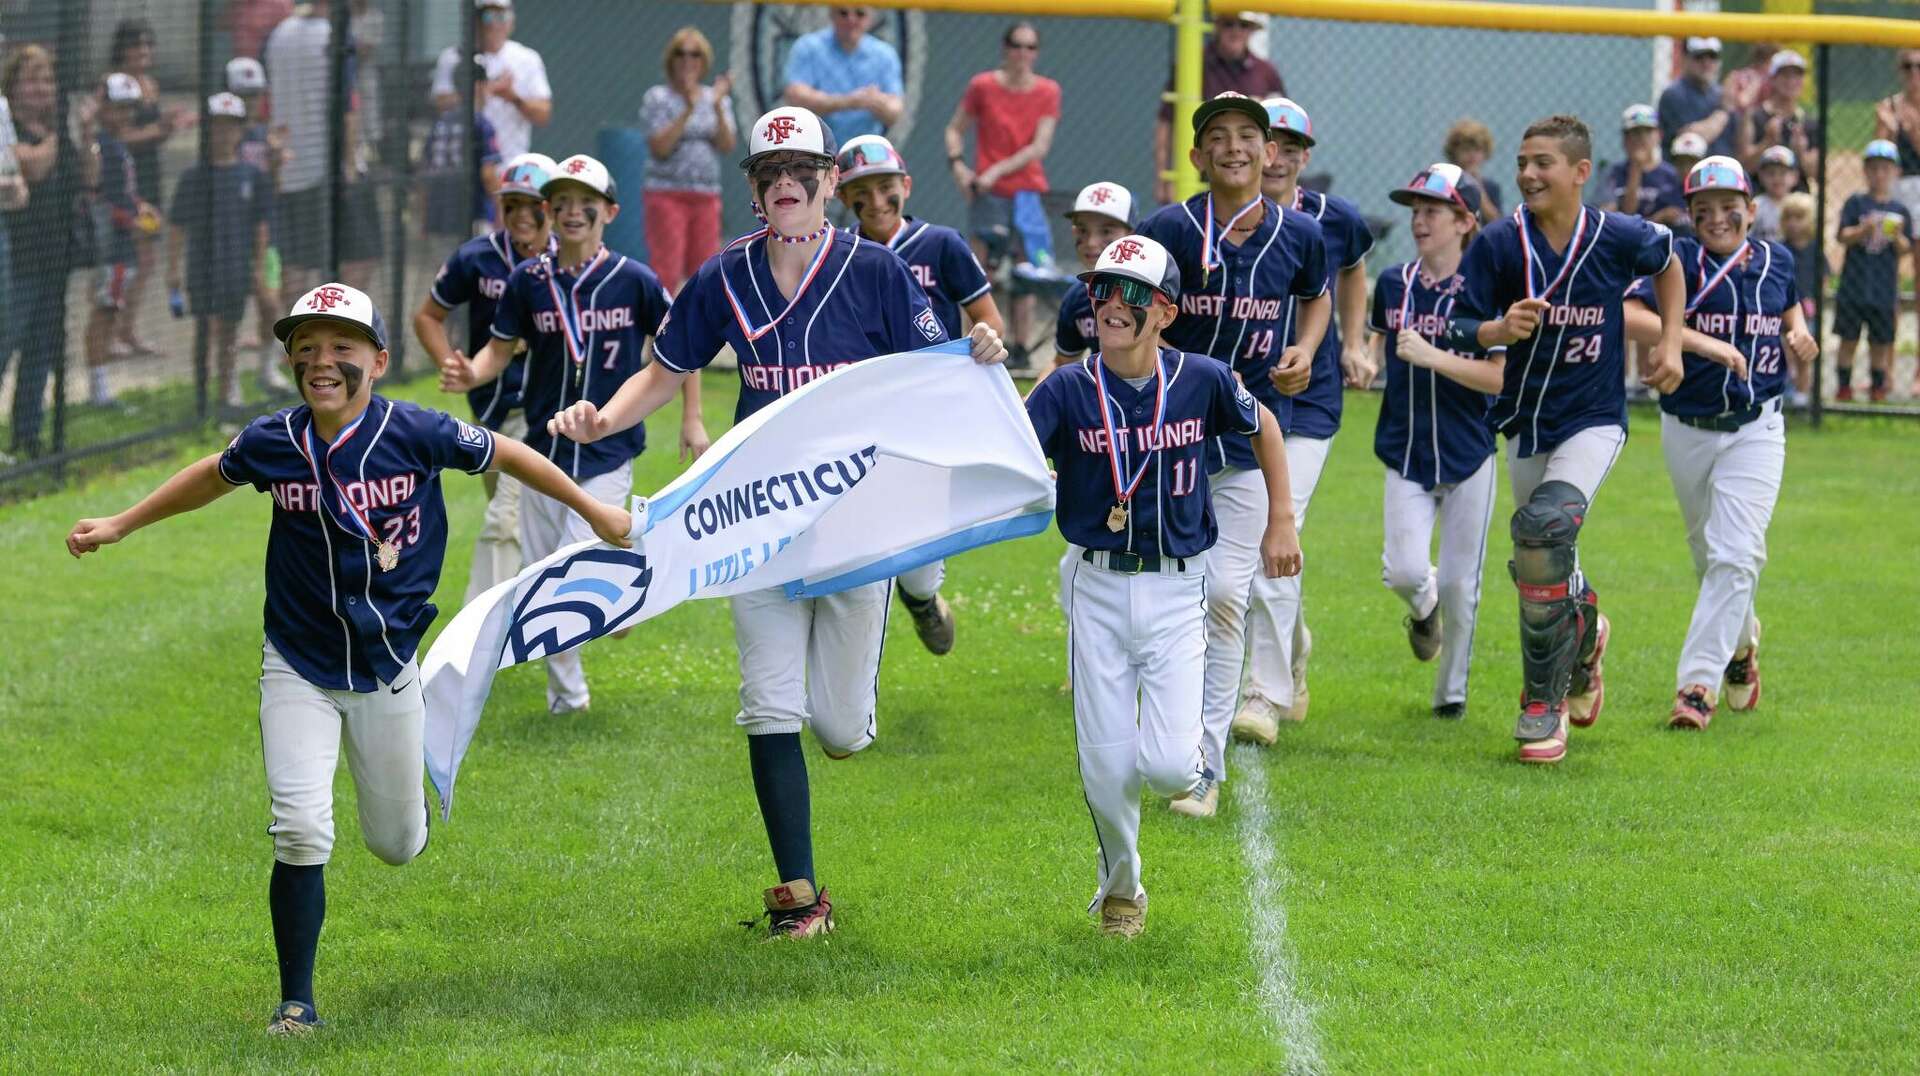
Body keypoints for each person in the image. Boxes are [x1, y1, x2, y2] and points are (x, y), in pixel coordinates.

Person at [65, 282, 632, 1036]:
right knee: (301, 828)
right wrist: (122, 522)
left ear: (379, 358)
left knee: (395, 845)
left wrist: (593, 511)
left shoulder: (417, 431)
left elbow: (507, 451)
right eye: (305, 349)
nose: (321, 361)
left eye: (341, 347)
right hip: (296, 660)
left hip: (389, 664)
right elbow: (213, 472)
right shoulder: (276, 440)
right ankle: (295, 1003)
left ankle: (411, 810)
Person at [545, 107, 1007, 939]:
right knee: (767, 705)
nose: (786, 185)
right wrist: (602, 422)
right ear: (754, 189)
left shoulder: (874, 271)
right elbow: (665, 368)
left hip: (856, 519)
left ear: (831, 180)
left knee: (837, 730)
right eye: (769, 174)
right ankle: (800, 894)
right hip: (756, 516)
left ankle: (899, 633)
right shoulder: (726, 274)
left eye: (802, 171)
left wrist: (977, 355)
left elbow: (935, 369)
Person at [1025, 233, 1300, 936]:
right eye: (1102, 290)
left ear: (1166, 311)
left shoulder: (1203, 378)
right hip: (1098, 587)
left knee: (1173, 769)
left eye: (1133, 293)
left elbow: (1262, 423)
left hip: (1179, 590)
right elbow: (1010, 451)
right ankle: (1122, 891)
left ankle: (1165, 749)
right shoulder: (1064, 388)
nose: (1113, 304)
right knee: (1106, 767)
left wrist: (1281, 520)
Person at [1451, 113, 1684, 764]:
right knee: (1537, 563)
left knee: (1545, 529)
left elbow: (1670, 263)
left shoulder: (1618, 236)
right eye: (1523, 162)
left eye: (1543, 162)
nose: (1527, 173)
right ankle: (1584, 641)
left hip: (1593, 417)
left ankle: (1541, 705)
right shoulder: (1499, 244)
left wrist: (1670, 343)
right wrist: (1498, 329)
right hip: (1525, 422)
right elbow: (1459, 324)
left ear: (1581, 172)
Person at [438, 154, 705, 713]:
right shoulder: (527, 281)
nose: (572, 212)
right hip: (542, 449)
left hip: (607, 451)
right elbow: (498, 350)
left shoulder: (634, 279)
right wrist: (472, 372)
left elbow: (682, 349)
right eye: (561, 202)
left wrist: (692, 417)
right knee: (540, 578)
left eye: (586, 203)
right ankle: (569, 697)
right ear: (549, 211)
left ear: (609, 210)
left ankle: (614, 592)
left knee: (567, 570)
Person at [1140, 91, 1328, 813]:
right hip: (1171, 440)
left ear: (1271, 152)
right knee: (1165, 598)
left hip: (1253, 438)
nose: (1234, 147)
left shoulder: (1299, 233)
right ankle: (1157, 731)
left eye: (1248, 135)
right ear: (1196, 155)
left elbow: (1314, 296)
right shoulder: (1166, 230)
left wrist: (1306, 348)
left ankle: (1203, 768)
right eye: (1217, 136)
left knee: (1224, 595)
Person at [1620, 157, 1815, 728]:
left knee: (1736, 553)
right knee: (1711, 557)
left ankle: (1696, 686)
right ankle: (1740, 645)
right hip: (1687, 427)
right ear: (1691, 215)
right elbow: (1629, 312)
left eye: (1732, 206)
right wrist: (1701, 344)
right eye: (1704, 209)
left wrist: (1799, 332)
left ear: (1753, 211)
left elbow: (1788, 307)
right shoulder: (1676, 258)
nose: (1719, 217)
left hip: (1757, 425)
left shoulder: (1777, 258)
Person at [834, 132, 1001, 655]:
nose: (876, 201)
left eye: (886, 186)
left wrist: (983, 341)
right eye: (860, 190)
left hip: (930, 413)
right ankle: (856, 660)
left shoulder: (941, 244)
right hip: (858, 412)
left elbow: (987, 317)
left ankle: (923, 599)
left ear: (906, 186)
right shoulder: (837, 251)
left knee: (922, 554)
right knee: (863, 538)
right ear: (842, 199)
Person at [1236, 96, 1372, 737]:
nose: (1279, 155)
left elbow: (1350, 272)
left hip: (1309, 401)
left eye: (1291, 146)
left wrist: (1352, 341)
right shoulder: (1222, 219)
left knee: (1276, 531)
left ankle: (1263, 693)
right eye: (1270, 142)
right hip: (1238, 398)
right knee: (1235, 544)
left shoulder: (1331, 219)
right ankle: (1290, 653)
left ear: (1304, 156)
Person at [1368, 164, 1501, 719]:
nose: (1419, 221)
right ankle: (1424, 612)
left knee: (1460, 585)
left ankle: (1450, 698)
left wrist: (1433, 356)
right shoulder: (1394, 284)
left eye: (1432, 211)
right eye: (1415, 211)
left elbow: (1499, 378)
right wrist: (1361, 359)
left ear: (1464, 221)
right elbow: (1376, 350)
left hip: (1470, 452)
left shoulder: (1490, 289)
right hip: (1406, 448)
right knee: (1402, 570)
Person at [413, 154, 556, 603]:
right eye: (509, 205)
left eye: (529, 205)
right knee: (522, 514)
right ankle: (549, 604)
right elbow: (427, 317)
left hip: (546, 410)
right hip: (491, 407)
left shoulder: (568, 263)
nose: (518, 216)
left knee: (505, 518)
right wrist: (455, 366)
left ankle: (478, 639)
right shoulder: (478, 258)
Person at [943, 21, 1061, 367]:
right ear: (1005, 48)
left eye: (1030, 47)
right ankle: (976, 340)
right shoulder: (982, 86)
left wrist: (995, 171)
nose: (1022, 53)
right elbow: (954, 129)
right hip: (988, 194)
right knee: (982, 271)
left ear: (1037, 53)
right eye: (1016, 45)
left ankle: (1021, 346)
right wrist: (958, 167)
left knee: (1027, 270)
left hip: (1026, 192)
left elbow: (1039, 147)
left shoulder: (1048, 91)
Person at [2, 44, 92, 458]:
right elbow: (33, 166)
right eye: (33, 80)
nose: (43, 89)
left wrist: (86, 134)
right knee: (6, 344)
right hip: (15, 259)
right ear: (14, 85)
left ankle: (28, 435)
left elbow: (90, 176)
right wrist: (62, 129)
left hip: (54, 259)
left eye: (48, 80)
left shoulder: (59, 132)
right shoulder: (8, 127)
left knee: (40, 353)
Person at [264, 0, 382, 292]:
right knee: (361, 254)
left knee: (297, 260)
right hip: (332, 167)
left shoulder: (279, 33)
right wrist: (351, 168)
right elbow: (348, 107)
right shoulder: (336, 35)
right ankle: (339, 324)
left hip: (292, 165)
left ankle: (297, 332)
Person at [166, 93, 273, 408]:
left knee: (229, 328)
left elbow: (260, 225)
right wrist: (173, 269)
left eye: (231, 127)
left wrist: (258, 266)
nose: (224, 134)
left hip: (235, 264)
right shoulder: (193, 177)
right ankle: (202, 388)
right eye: (217, 127)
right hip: (201, 265)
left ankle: (228, 386)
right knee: (204, 328)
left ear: (240, 131)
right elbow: (177, 225)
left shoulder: (251, 176)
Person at [108, 18, 192, 360]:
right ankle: (111, 331)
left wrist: (169, 127)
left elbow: (154, 134)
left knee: (146, 260)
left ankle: (127, 329)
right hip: (125, 182)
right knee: (124, 261)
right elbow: (119, 137)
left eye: (147, 45)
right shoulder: (115, 86)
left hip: (150, 179)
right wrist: (159, 129)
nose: (143, 51)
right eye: (135, 45)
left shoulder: (151, 85)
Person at [1151, 12, 1285, 205]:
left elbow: (1281, 129)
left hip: (1252, 174)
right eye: (1229, 24)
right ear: (1216, 27)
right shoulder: (1192, 65)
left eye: (1243, 25)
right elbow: (1167, 123)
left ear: (1252, 31)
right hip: (1198, 173)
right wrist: (1164, 177)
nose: (1236, 31)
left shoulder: (1266, 72)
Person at [641, 27, 737, 297]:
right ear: (671, 59)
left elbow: (727, 145)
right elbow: (660, 147)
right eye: (681, 54)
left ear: (703, 61)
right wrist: (688, 109)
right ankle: (659, 326)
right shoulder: (658, 97)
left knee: (703, 269)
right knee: (666, 269)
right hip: (667, 192)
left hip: (705, 194)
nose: (688, 60)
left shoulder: (715, 98)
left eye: (695, 55)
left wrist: (717, 107)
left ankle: (697, 330)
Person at [84, 73, 158, 409]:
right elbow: (101, 200)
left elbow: (125, 194)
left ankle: (101, 386)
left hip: (123, 243)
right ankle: (98, 388)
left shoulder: (118, 145)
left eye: (130, 108)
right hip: (110, 244)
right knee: (104, 311)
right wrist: (133, 221)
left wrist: (141, 207)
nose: (126, 115)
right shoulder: (103, 146)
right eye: (118, 108)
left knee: (112, 309)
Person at [227, 56, 292, 394]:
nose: (249, 102)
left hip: (266, 230)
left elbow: (274, 189)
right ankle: (229, 379)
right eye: (242, 94)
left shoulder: (264, 135)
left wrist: (277, 160)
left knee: (270, 303)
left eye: (254, 95)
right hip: (232, 232)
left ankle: (267, 369)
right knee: (230, 312)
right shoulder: (224, 135)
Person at [1831, 140, 1911, 404]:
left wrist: (1897, 236)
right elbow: (1842, 236)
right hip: (1853, 286)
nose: (1879, 175)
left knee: (1879, 342)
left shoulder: (1900, 211)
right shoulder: (1856, 203)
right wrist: (1862, 230)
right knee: (1848, 339)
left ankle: (1877, 388)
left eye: (1885, 169)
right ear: (1865, 171)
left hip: (1883, 288)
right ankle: (1844, 387)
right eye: (1874, 169)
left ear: (1895, 172)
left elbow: (1904, 248)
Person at [430, 0, 551, 162]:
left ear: (512, 21)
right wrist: (475, 94)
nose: (494, 24)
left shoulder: (527, 59)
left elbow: (543, 114)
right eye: (487, 16)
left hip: (511, 161)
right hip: (462, 163)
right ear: (475, 20)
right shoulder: (452, 58)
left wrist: (512, 97)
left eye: (501, 16)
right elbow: (439, 106)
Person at [782, 6, 902, 144]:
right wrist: (848, 102)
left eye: (860, 13)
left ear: (870, 18)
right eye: (843, 13)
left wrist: (876, 102)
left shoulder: (885, 54)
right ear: (831, 15)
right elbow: (796, 97)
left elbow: (895, 110)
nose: (851, 20)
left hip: (865, 151)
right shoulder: (809, 47)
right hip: (815, 148)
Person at [1050, 180, 1136, 371]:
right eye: (1082, 230)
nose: (1091, 242)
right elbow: (1062, 362)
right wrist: (1029, 400)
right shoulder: (1077, 297)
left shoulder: (1149, 295)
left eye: (1106, 231)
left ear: (1131, 234)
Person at [420, 58, 503, 241]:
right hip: (473, 215)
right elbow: (488, 174)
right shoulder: (481, 124)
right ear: (479, 86)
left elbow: (425, 174)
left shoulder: (440, 123)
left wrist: (425, 220)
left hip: (439, 217)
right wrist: (500, 212)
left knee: (445, 268)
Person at [1737, 50, 1820, 183]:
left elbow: (1816, 174)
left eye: (1797, 76)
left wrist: (1801, 152)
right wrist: (1767, 141)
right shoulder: (1754, 116)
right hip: (1760, 194)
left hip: (1796, 196)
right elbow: (1744, 167)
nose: (1791, 81)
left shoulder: (1809, 122)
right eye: (1785, 76)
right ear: (1772, 79)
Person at [1604, 105, 1685, 229]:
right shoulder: (1615, 173)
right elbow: (1626, 215)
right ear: (1625, 139)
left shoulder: (1671, 174)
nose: (1641, 137)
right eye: (1635, 132)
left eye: (1647, 131)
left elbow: (1678, 217)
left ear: (1659, 135)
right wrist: (1636, 167)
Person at [1659, 37, 1739, 160]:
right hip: (1686, 174)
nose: (1706, 63)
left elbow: (1738, 143)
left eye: (1712, 57)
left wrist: (1746, 107)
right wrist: (1723, 111)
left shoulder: (1721, 93)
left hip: (1722, 173)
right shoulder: (1674, 94)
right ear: (1685, 59)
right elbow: (1693, 140)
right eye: (1699, 57)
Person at [1872, 48, 1920, 222]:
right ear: (1900, 72)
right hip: (1899, 181)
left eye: (1919, 66)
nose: (1914, 72)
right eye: (1907, 66)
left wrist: (1911, 130)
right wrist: (1890, 131)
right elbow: (1878, 154)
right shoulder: (1889, 106)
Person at [1444, 118, 1504, 222]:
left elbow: (1497, 222)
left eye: (1477, 149)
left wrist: (1478, 188)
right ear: (1454, 153)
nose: (1472, 155)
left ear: (1485, 153)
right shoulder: (1446, 183)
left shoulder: (1491, 187)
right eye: (1466, 149)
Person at [1751, 144, 1797, 242]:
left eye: (1783, 173)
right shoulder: (1757, 205)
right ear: (1761, 176)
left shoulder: (1798, 204)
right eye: (1771, 173)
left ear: (1794, 176)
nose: (1777, 178)